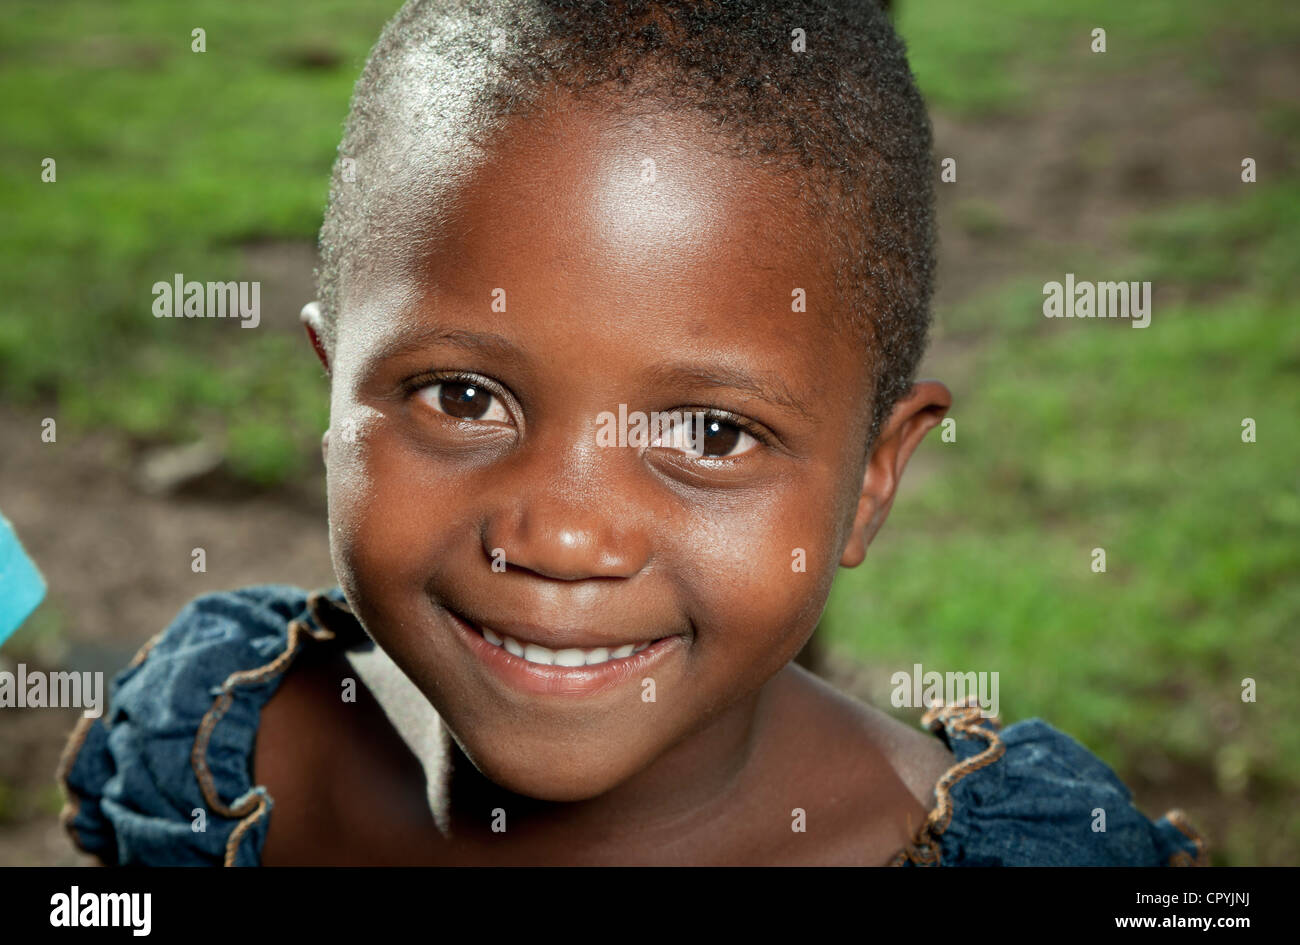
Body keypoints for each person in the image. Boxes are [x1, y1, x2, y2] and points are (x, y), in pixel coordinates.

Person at [58, 0, 1206, 866]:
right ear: (332, 394)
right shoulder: (219, 747)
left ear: (870, 478)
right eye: (462, 398)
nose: (560, 535)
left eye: (710, 431)